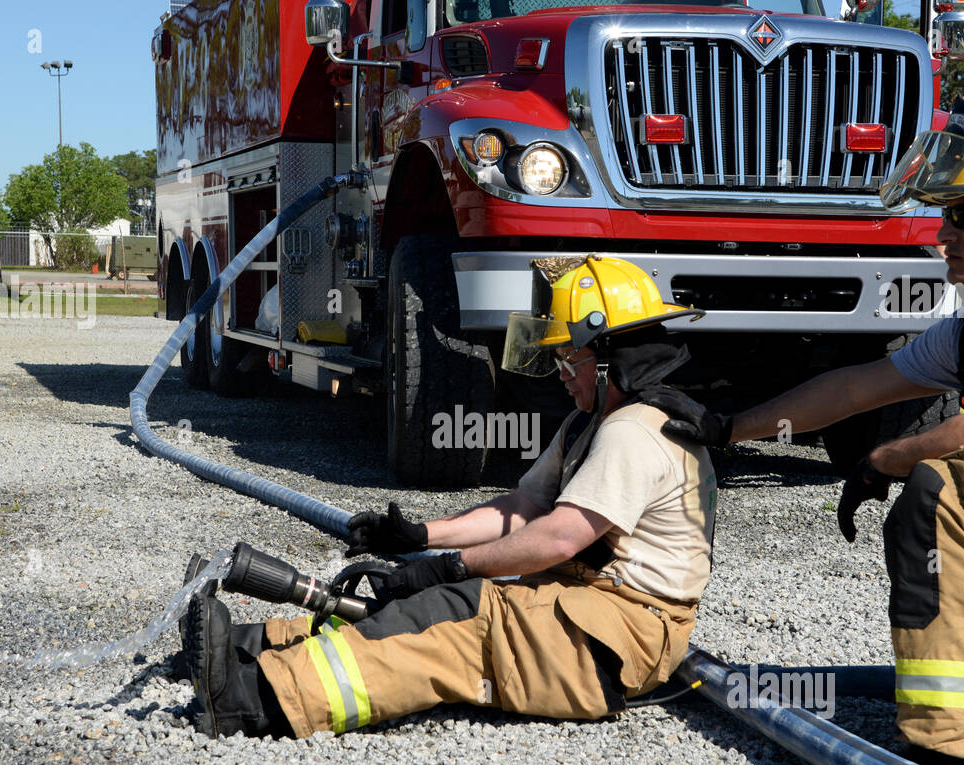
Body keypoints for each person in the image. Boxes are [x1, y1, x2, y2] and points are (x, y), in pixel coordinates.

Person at [652, 100, 964, 765]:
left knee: (947, 486)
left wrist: (882, 460)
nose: (941, 232)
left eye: (962, 215)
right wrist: (728, 425)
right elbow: (857, 387)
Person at [179, 256, 717, 739]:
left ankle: (248, 699)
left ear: (605, 360)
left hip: (613, 640)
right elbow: (521, 509)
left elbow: (558, 536)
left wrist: (450, 569)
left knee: (450, 615)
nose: (560, 376)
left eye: (567, 358)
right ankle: (247, 647)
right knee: (408, 605)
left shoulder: (637, 432)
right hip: (586, 612)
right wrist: (421, 537)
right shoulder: (592, 422)